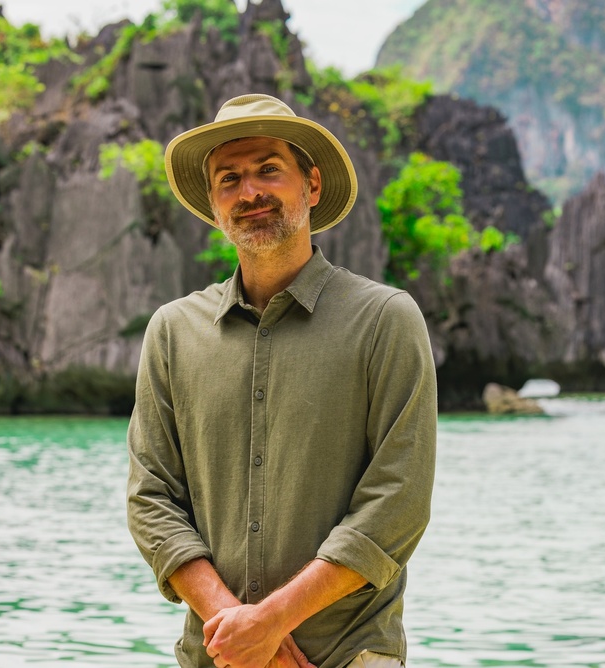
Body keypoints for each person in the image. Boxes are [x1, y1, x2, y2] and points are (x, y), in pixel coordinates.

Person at [126, 93, 437, 668]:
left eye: (269, 169)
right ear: (216, 206)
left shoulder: (385, 319)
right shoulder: (172, 332)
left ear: (311, 186)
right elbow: (151, 500)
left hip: (349, 658)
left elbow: (399, 501)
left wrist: (271, 622)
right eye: (229, 179)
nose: (250, 193)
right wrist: (239, 633)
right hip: (215, 658)